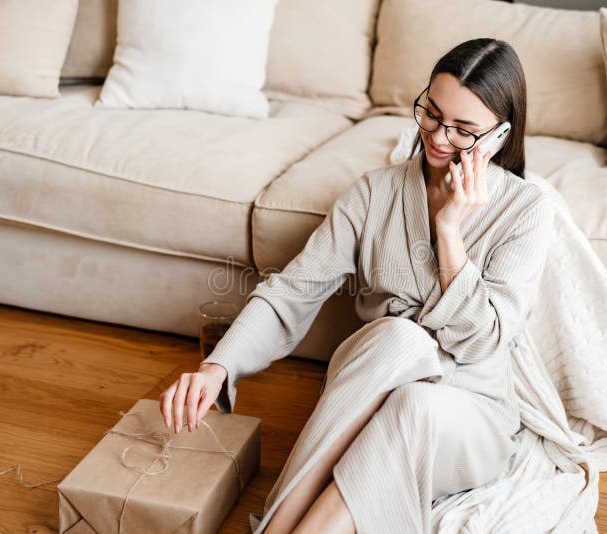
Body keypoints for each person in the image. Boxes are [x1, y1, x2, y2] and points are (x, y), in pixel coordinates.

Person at [160, 37, 555, 533]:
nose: (437, 137)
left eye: (463, 130)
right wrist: (218, 369)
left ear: (499, 136)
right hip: (369, 384)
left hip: (468, 414)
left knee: (412, 401)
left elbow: (482, 341)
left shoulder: (526, 210)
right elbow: (294, 288)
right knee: (398, 338)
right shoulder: (374, 193)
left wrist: (450, 232)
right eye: (431, 113)